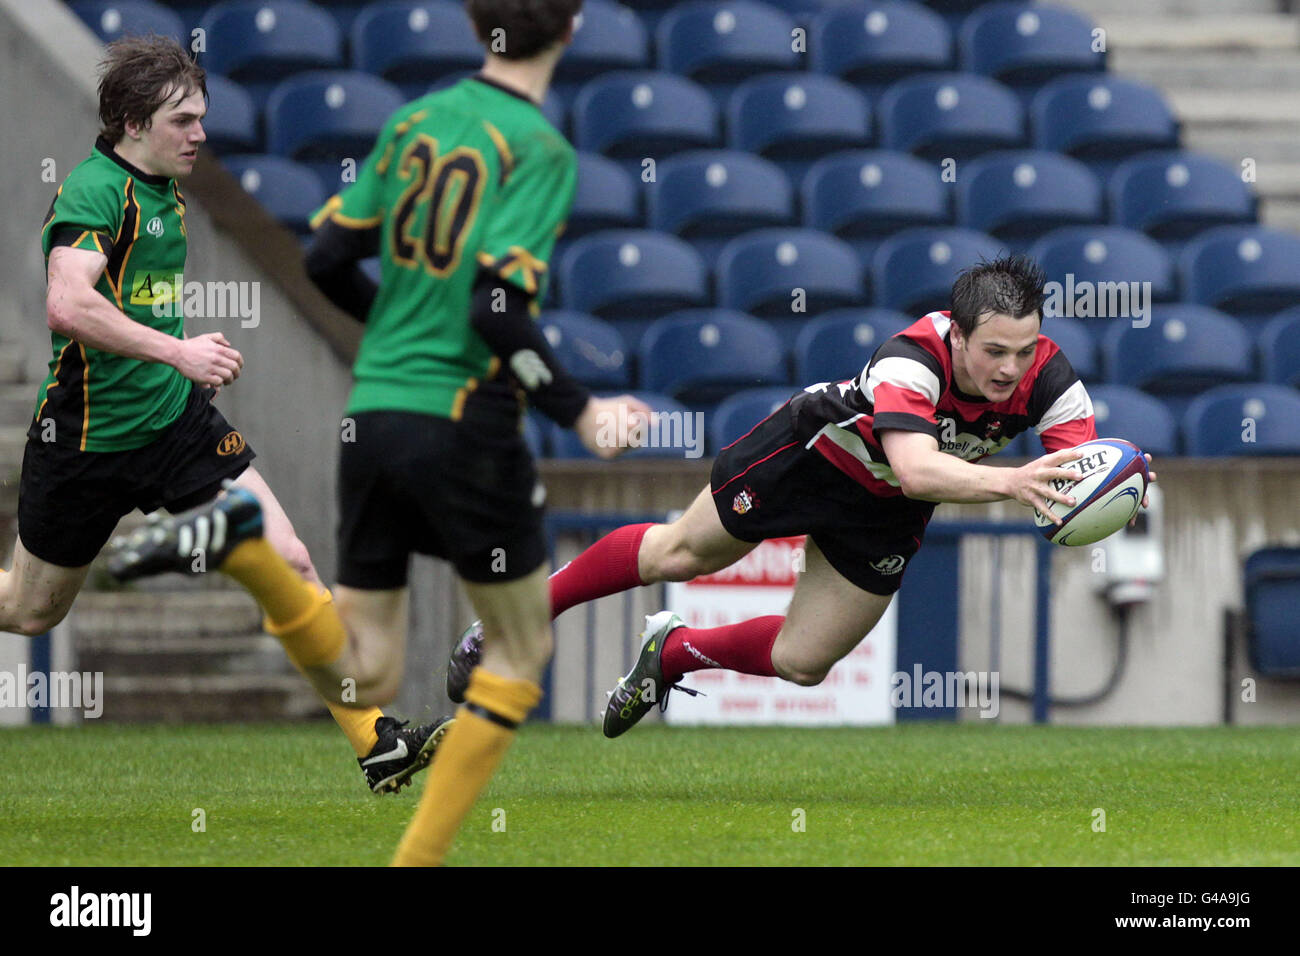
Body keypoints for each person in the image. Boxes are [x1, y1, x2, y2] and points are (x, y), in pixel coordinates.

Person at [110, 1, 648, 865]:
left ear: (478, 26)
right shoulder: (538, 148)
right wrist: (580, 410)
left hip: (374, 416)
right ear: (573, 30)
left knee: (367, 672)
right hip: (465, 421)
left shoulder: (414, 121)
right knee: (520, 647)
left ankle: (246, 547)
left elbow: (324, 257)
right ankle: (416, 862)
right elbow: (494, 305)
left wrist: (397, 330)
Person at [448, 255, 1158, 735]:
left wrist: (1117, 487)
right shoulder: (911, 360)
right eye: (994, 352)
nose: (1011, 369)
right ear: (958, 334)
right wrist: (1013, 481)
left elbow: (1075, 478)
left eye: (1025, 351)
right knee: (677, 555)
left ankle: (672, 655)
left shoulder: (1054, 382)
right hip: (809, 456)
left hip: (884, 510)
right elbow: (915, 466)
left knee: (803, 664)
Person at [19, 34, 449, 794]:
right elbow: (65, 303)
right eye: (182, 119)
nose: (201, 135)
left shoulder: (165, 186)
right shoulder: (95, 189)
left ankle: (374, 739)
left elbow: (135, 300)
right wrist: (178, 352)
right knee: (29, 611)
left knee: (289, 559)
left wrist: (181, 363)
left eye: (201, 117)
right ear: (130, 121)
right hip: (84, 437)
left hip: (176, 425)